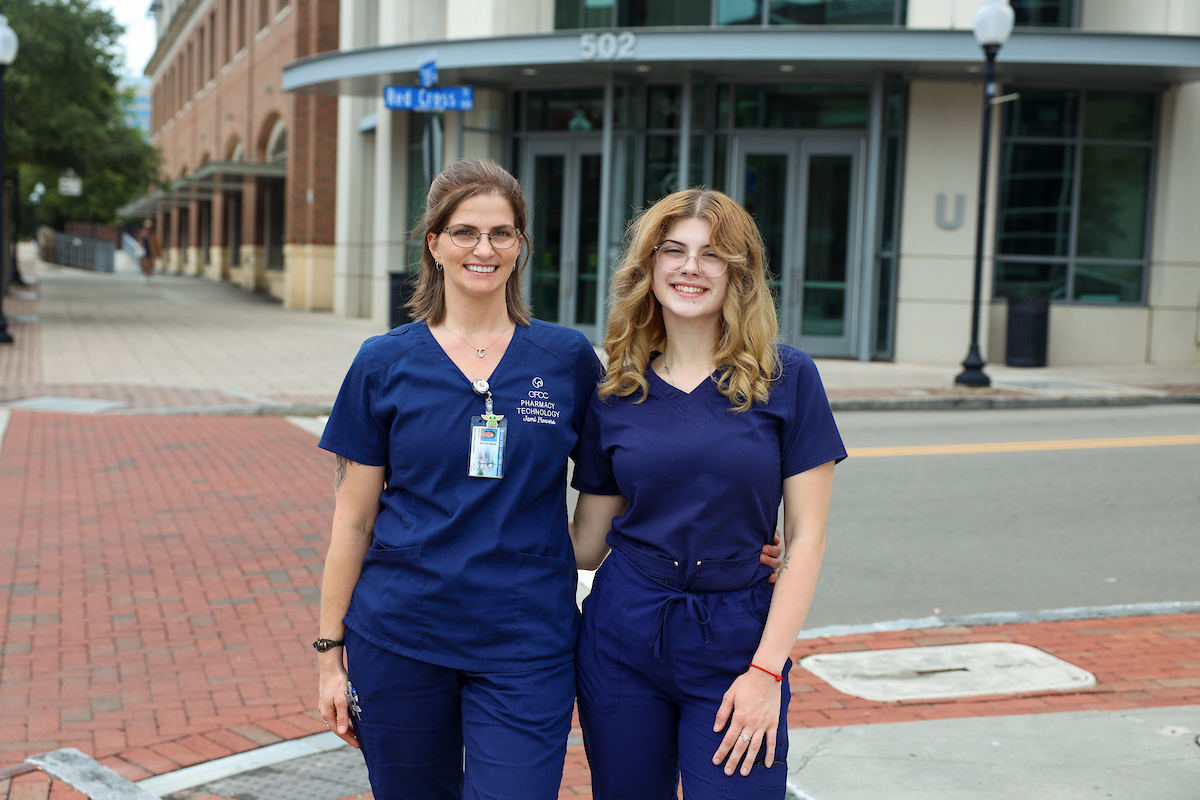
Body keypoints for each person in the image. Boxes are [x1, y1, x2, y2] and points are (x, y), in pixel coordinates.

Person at [313, 161, 782, 799]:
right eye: (465, 232)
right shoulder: (382, 362)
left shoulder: (566, 360)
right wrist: (329, 654)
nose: (484, 249)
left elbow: (633, 468)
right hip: (401, 637)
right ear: (435, 244)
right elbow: (353, 520)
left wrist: (727, 535)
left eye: (502, 233)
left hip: (526, 642)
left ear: (520, 246)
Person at [570, 188, 847, 799]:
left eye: (711, 254)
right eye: (673, 250)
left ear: (739, 274)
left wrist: (766, 671)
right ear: (648, 267)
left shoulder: (787, 377)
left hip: (737, 641)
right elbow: (587, 543)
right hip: (622, 633)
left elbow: (807, 540)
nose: (690, 267)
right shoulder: (616, 391)